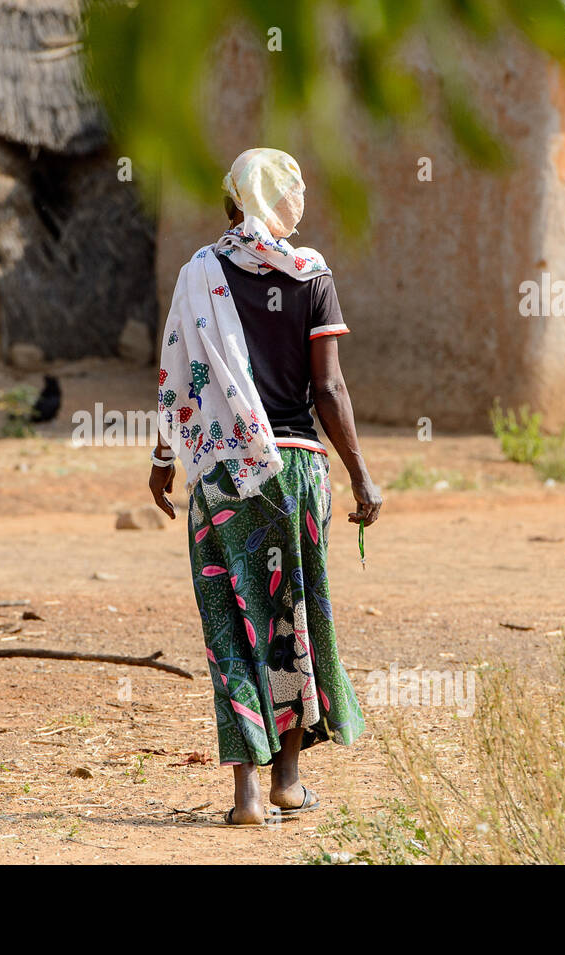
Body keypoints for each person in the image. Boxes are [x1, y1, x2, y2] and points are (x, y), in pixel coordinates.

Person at [149, 148, 382, 825]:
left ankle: (246, 794)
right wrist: (362, 474)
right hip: (297, 475)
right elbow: (330, 387)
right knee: (289, 623)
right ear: (285, 203)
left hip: (223, 473)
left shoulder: (199, 274)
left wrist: (164, 458)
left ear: (230, 199)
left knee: (231, 623)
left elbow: (176, 377)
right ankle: (287, 779)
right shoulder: (310, 275)